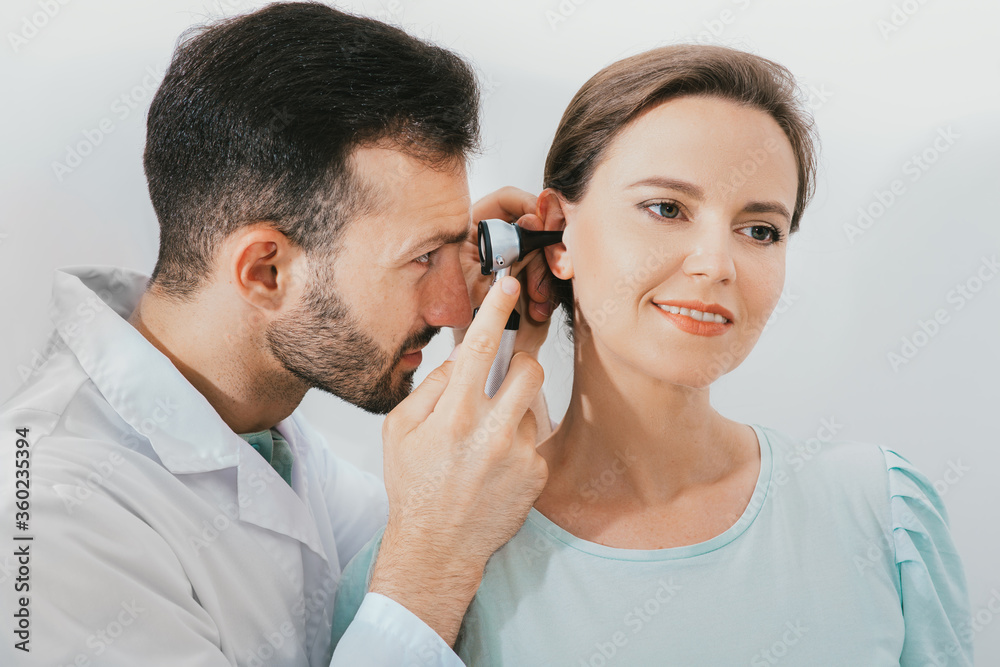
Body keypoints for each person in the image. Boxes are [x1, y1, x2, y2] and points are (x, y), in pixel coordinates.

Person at [332, 44, 974, 665]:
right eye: (666, 208)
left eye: (760, 230)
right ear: (559, 237)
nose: (717, 264)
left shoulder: (880, 512)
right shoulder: (421, 570)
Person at [0, 3, 562, 666]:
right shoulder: (49, 520)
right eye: (421, 259)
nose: (451, 308)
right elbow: (423, 571)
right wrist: (432, 558)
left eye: (458, 246)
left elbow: (463, 550)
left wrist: (504, 338)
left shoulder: (263, 435)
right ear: (266, 270)